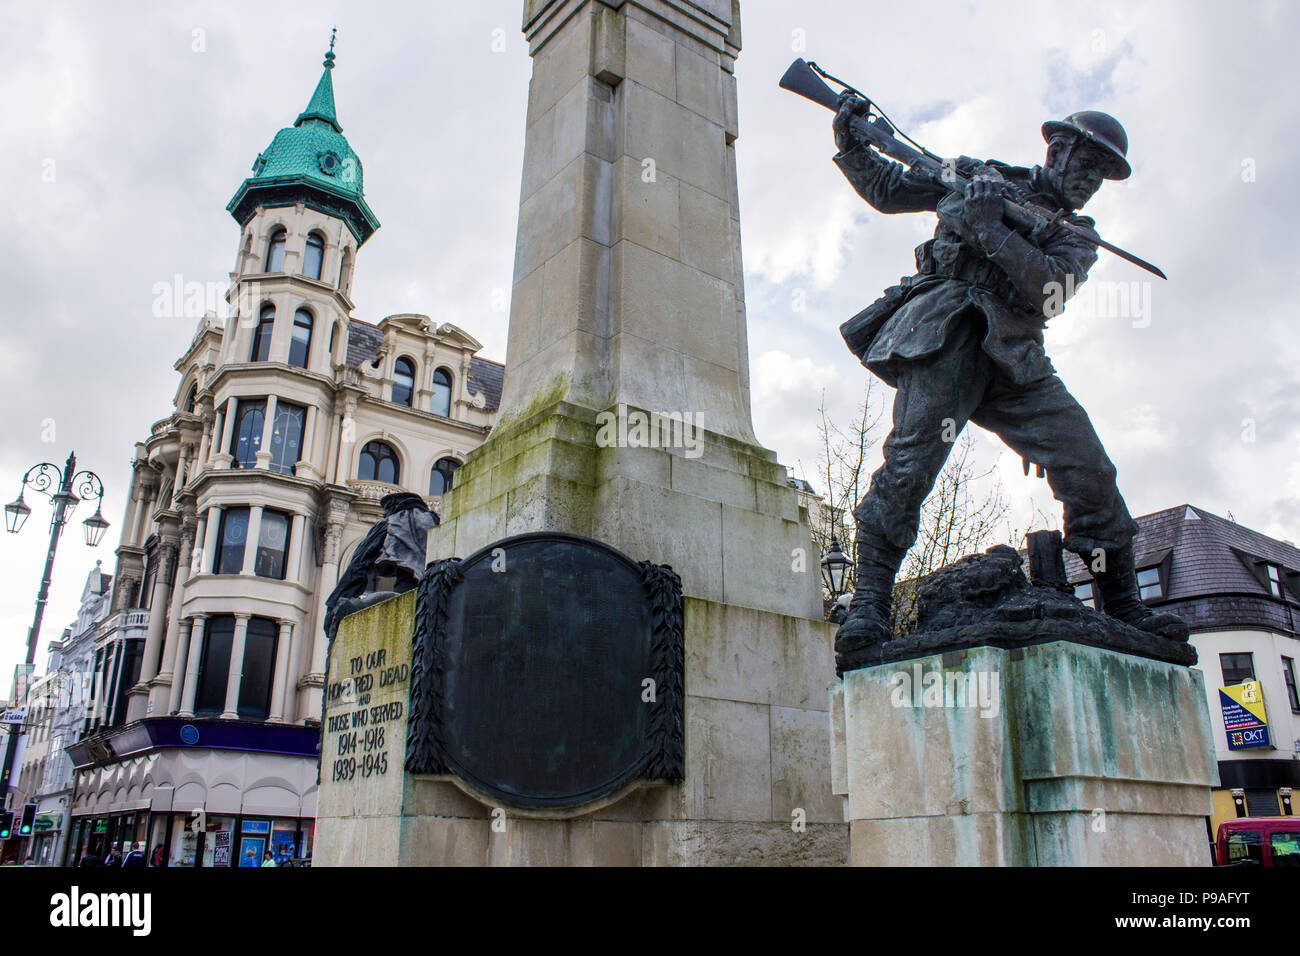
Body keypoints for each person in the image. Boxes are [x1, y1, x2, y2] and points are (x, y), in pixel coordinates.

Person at [829, 96, 1187, 669]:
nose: (1092, 181)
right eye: (1088, 165)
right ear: (1058, 149)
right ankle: (870, 601)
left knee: (1088, 467)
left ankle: (1121, 603)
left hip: (1015, 356)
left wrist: (992, 229)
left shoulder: (1077, 234)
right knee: (910, 462)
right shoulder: (980, 177)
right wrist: (852, 144)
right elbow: (891, 189)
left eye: (1102, 174)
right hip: (945, 331)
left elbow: (1046, 287)